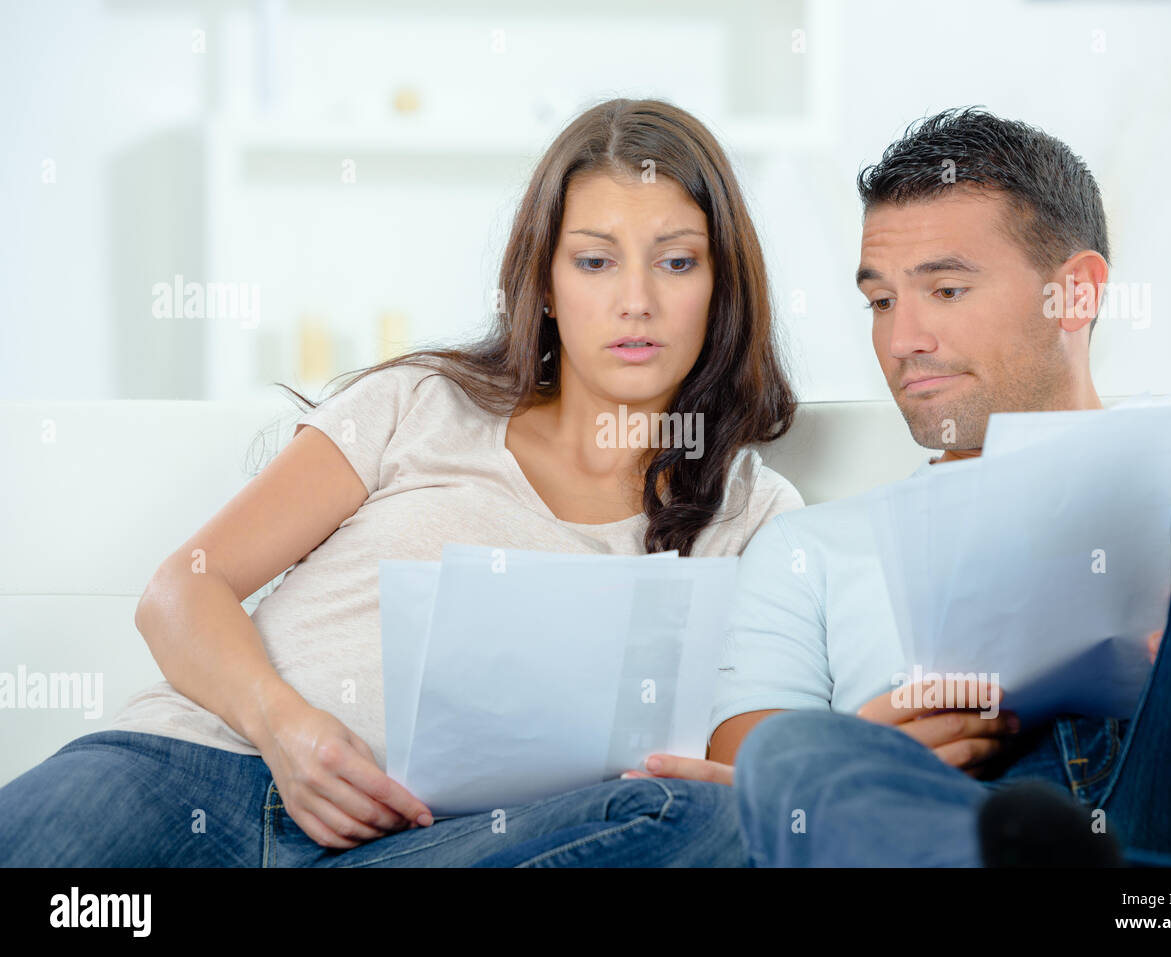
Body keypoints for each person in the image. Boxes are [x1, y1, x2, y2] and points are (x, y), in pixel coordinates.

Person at [0, 98, 804, 868]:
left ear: (720, 283)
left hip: (431, 842)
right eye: (595, 260)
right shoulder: (423, 401)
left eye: (676, 261)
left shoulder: (756, 514)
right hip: (199, 770)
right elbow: (179, 591)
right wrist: (286, 730)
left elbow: (732, 784)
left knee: (713, 821)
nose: (637, 301)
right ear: (548, 287)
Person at [623, 108, 1171, 866]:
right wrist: (874, 745)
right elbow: (749, 780)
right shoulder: (805, 544)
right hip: (956, 826)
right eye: (881, 302)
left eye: (945, 290)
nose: (903, 339)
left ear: (1075, 293)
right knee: (795, 754)